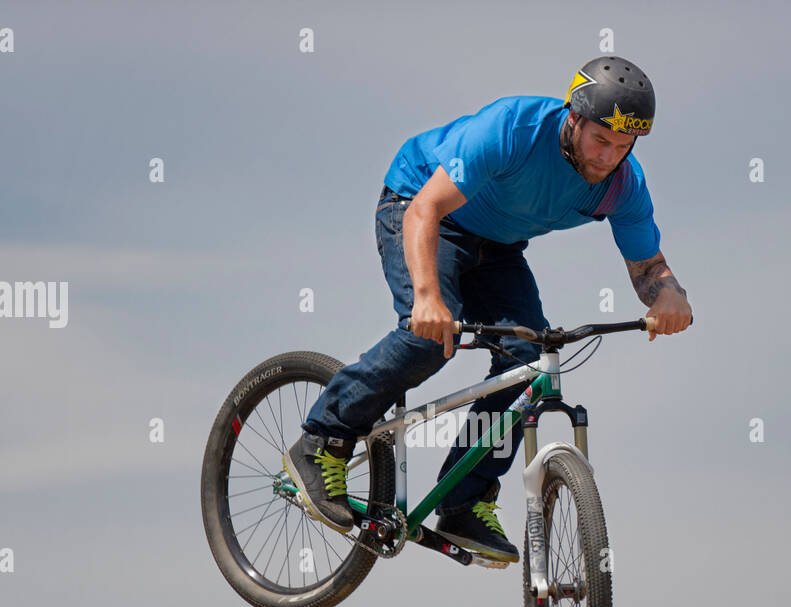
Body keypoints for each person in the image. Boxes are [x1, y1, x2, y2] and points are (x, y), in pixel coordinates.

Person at [284, 56, 693, 563]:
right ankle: (322, 438)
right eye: (600, 140)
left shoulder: (622, 185)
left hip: (497, 246)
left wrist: (670, 295)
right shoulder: (512, 130)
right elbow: (425, 209)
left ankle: (464, 502)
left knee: (527, 364)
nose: (609, 156)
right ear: (574, 118)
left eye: (623, 145)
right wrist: (428, 298)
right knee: (428, 338)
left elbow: (649, 266)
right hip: (418, 205)